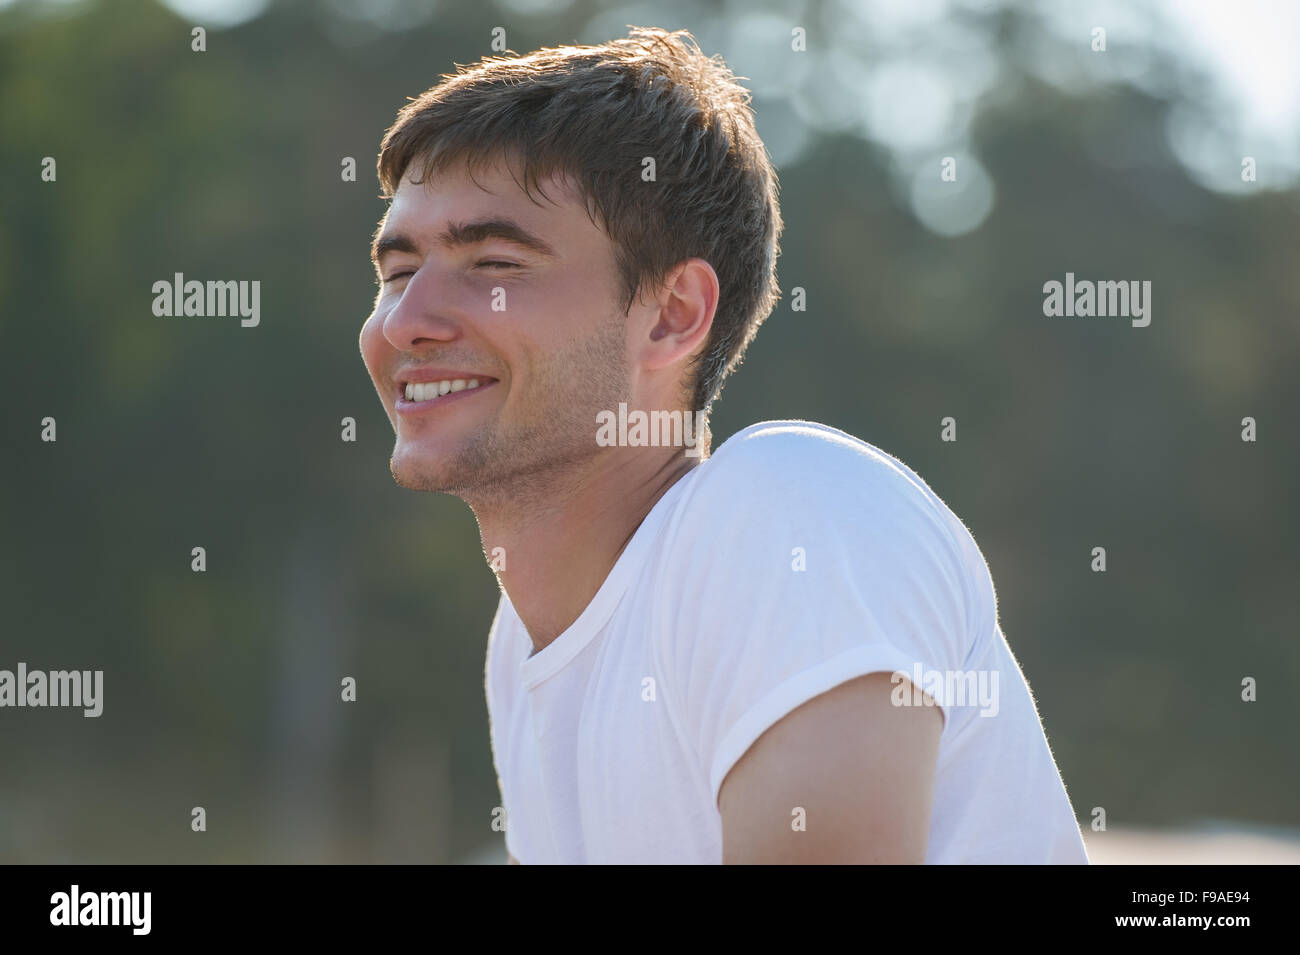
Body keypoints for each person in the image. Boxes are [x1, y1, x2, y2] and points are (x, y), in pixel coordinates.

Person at [359, 27, 1088, 864]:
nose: (406, 321)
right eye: (398, 271)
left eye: (493, 262)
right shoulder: (523, 648)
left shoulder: (788, 509)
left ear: (673, 315)